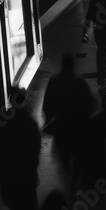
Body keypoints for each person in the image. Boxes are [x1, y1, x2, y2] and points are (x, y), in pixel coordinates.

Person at [0, 87, 41, 210]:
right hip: (25, 179)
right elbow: (34, 155)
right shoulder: (30, 123)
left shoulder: (2, 122)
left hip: (8, 179)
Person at [42, 53, 97, 184]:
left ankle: (69, 180)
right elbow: (91, 104)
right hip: (78, 128)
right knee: (78, 156)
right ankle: (75, 179)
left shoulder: (54, 82)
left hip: (61, 128)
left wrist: (51, 118)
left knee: (64, 157)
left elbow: (46, 106)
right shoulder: (80, 83)